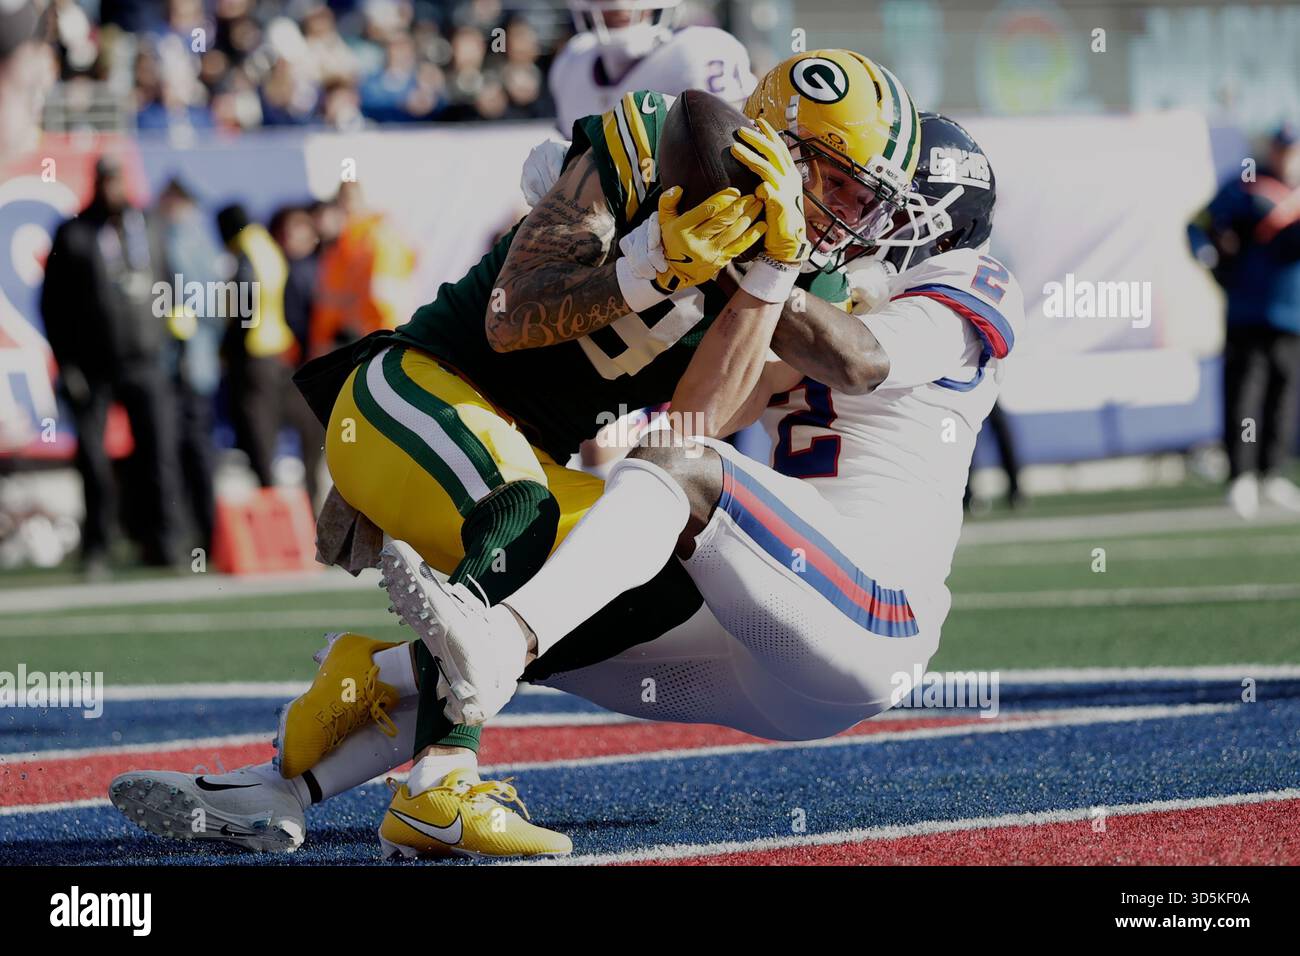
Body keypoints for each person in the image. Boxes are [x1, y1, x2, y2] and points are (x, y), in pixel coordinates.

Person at [107, 50, 928, 859]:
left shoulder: (794, 273)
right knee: (526, 520)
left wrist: (769, 274)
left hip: (522, 455)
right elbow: (510, 314)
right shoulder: (645, 143)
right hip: (413, 389)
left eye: (870, 201)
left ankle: (314, 742)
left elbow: (687, 432)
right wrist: (650, 266)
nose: (853, 218)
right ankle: (439, 784)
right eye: (846, 186)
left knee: (634, 593)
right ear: (785, 149)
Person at [41, 156, 182, 574]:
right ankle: (98, 547)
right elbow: (53, 305)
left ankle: (163, 542)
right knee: (94, 461)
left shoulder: (150, 226)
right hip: (94, 366)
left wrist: (176, 346)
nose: (112, 190)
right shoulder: (74, 233)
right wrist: (66, 364)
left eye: (118, 181)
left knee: (158, 456)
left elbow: (170, 287)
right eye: (106, 182)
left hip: (146, 361)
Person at [1198, 125, 1300, 519]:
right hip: (1248, 310)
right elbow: (1202, 225)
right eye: (1282, 148)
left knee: (1283, 395)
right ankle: (1240, 475)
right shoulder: (1247, 186)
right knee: (1245, 394)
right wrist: (1216, 259)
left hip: (1291, 312)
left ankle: (1270, 473)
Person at [156, 177, 223, 553]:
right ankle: (194, 533)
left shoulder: (186, 238)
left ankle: (203, 534)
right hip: (186, 362)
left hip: (188, 362)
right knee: (183, 448)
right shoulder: (193, 239)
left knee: (191, 447)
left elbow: (207, 303)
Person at [216, 204, 296, 487]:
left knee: (257, 427)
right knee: (269, 426)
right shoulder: (267, 246)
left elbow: (245, 299)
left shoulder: (245, 251)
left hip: (254, 350)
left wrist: (229, 345)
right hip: (275, 348)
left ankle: (268, 493)